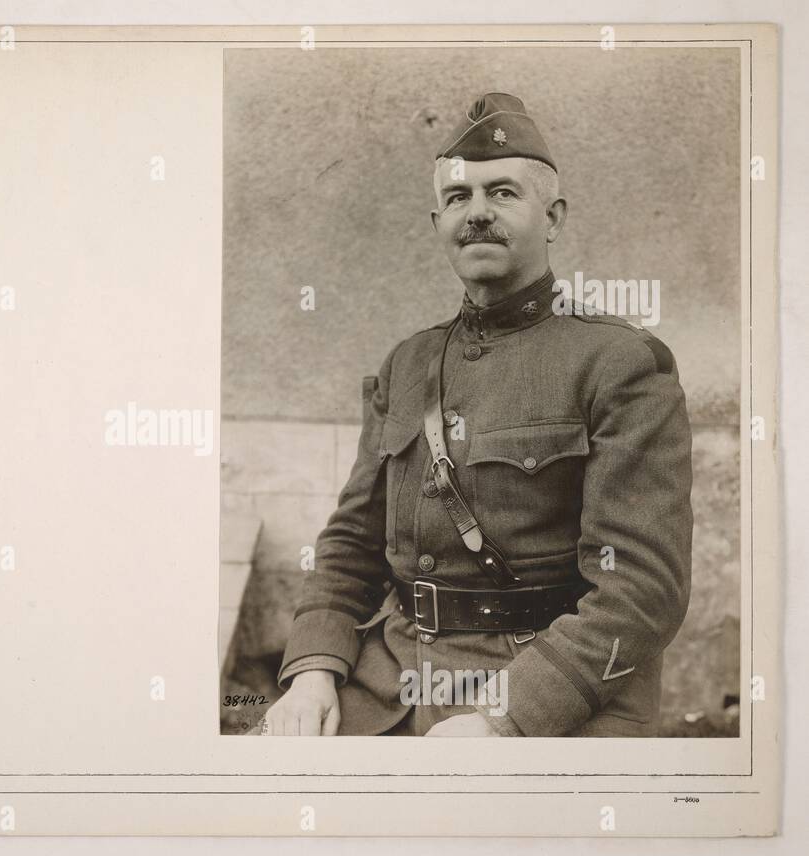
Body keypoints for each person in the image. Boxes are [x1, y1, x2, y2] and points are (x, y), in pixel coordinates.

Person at [261, 92, 693, 737]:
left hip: (551, 693)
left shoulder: (620, 362)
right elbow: (352, 544)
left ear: (553, 218)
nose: (478, 214)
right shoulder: (408, 364)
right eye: (460, 198)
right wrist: (315, 670)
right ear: (438, 220)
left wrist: (503, 716)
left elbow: (640, 591)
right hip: (393, 679)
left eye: (503, 194)